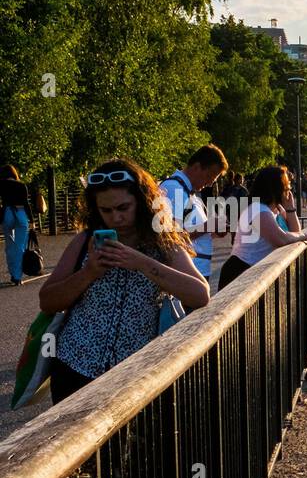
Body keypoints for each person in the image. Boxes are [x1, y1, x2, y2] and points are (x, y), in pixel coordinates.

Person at [39, 158, 210, 403]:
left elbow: (200, 294)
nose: (115, 218)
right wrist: (88, 272)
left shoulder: (163, 242)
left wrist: (141, 262)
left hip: (134, 375)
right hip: (75, 369)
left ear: (142, 203)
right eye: (105, 210)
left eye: (123, 208)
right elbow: (47, 300)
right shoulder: (84, 242)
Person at [218, 165, 307, 290]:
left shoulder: (277, 208)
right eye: (286, 184)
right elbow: (281, 239)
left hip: (254, 271)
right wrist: (303, 236)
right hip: (240, 272)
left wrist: (290, 208)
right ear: (276, 187)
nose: (289, 188)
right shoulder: (258, 210)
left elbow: (294, 232)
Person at [160, 144, 228, 280]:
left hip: (195, 270)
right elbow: (169, 237)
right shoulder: (173, 189)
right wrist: (208, 226)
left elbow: (190, 232)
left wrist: (214, 229)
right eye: (209, 176)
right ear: (196, 167)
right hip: (186, 274)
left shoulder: (190, 193)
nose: (209, 183)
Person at [1, 165, 33, 285]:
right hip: (21, 213)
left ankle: (12, 272)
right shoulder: (21, 185)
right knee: (20, 247)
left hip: (7, 213)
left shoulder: (1, 185)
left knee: (9, 246)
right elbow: (26, 203)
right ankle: (17, 277)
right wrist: (32, 220)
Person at [219, 172, 249, 244]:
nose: (241, 181)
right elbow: (223, 197)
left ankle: (236, 238)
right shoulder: (230, 189)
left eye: (242, 179)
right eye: (240, 179)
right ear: (236, 179)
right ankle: (233, 237)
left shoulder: (244, 190)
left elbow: (248, 200)